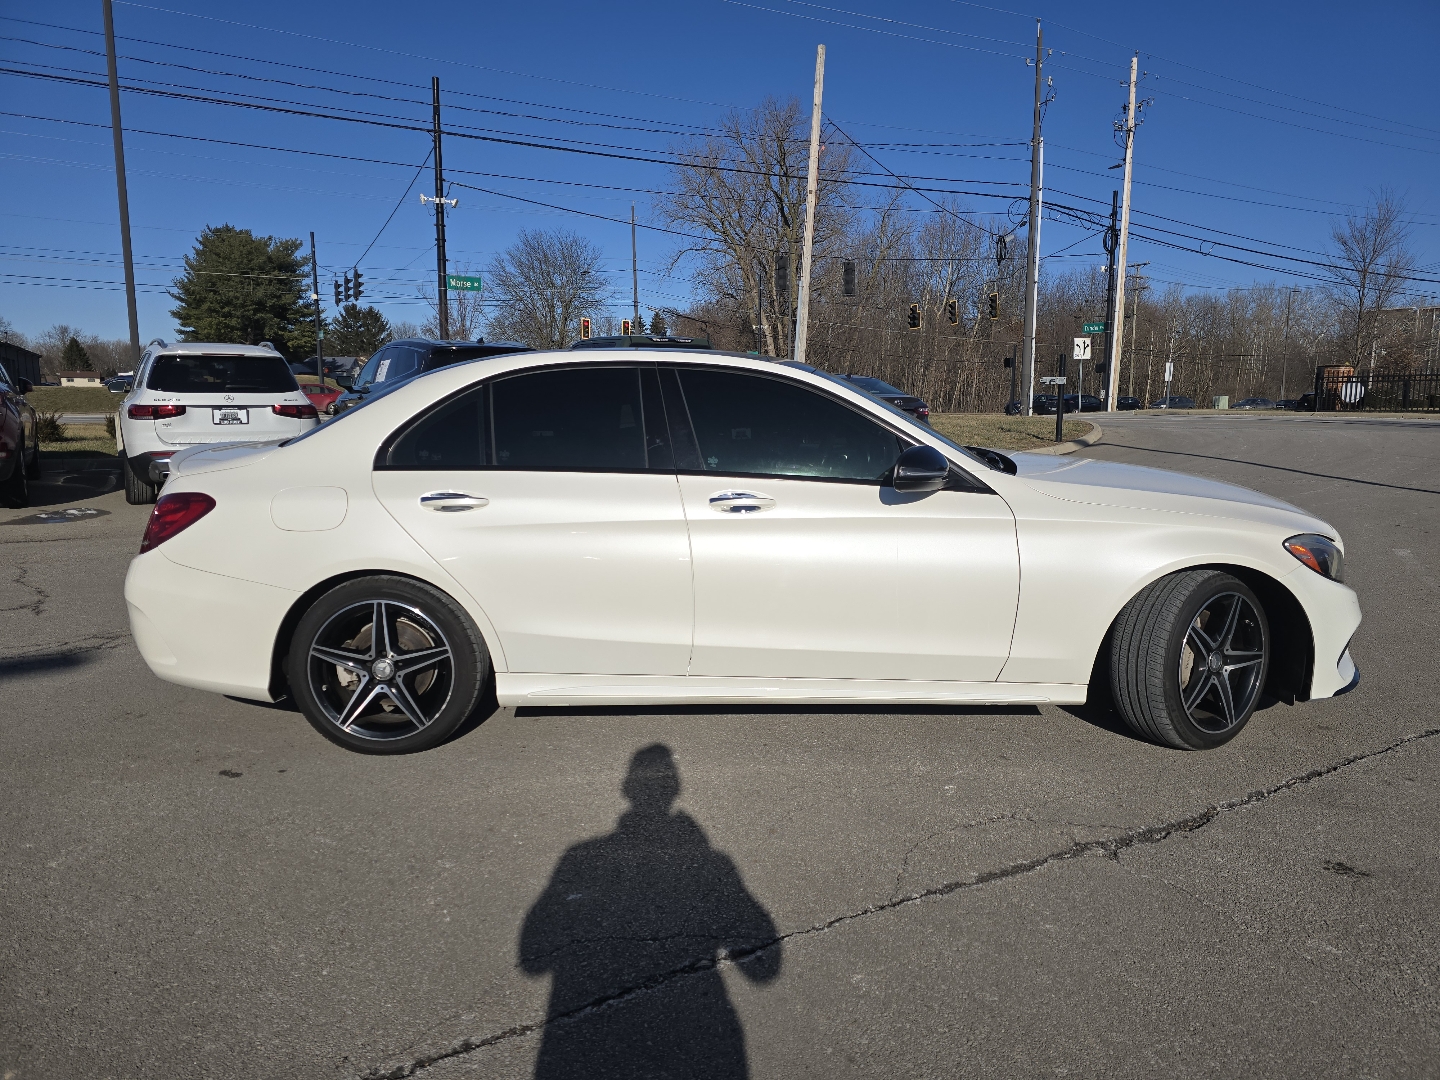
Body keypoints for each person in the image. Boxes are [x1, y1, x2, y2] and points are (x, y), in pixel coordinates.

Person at [519, 744, 781, 1079]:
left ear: (625, 788)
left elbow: (532, 961)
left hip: (583, 1052)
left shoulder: (579, 856)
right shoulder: (714, 862)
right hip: (697, 1045)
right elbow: (764, 969)